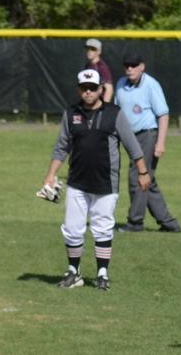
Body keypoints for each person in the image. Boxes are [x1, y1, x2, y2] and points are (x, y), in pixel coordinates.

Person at [41, 71, 153, 291]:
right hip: (77, 181)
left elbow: (131, 144)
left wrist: (143, 172)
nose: (88, 91)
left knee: (102, 228)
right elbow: (61, 146)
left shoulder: (114, 113)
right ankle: (74, 271)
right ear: (78, 89)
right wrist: (50, 175)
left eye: (93, 87)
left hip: (106, 182)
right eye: (84, 88)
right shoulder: (70, 113)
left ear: (101, 89)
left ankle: (102, 273)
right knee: (72, 229)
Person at [113, 54, 179, 233]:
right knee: (148, 180)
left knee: (138, 176)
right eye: (127, 65)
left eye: (134, 65)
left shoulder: (151, 85)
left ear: (142, 66)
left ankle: (135, 222)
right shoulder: (121, 84)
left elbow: (163, 115)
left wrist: (160, 142)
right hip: (129, 137)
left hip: (147, 135)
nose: (130, 69)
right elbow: (117, 112)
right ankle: (169, 222)